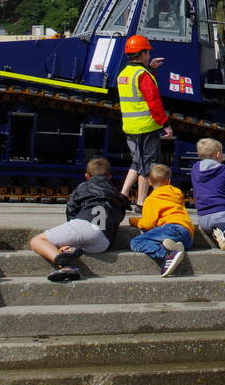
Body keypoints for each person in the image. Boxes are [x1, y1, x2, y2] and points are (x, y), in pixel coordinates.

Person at [30, 157, 128, 282]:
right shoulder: (117, 193)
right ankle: (69, 255)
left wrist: (73, 227)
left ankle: (65, 265)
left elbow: (71, 208)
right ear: (110, 176)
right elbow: (120, 215)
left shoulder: (84, 186)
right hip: (104, 241)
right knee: (63, 245)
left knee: (37, 241)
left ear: (87, 176)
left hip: (87, 225)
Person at [115, 34, 172, 209]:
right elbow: (153, 102)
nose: (148, 56)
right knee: (148, 164)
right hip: (146, 126)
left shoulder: (124, 74)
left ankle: (123, 195)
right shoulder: (143, 75)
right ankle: (141, 202)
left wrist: (151, 69)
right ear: (142, 54)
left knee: (137, 162)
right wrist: (165, 124)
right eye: (147, 53)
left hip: (130, 127)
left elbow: (136, 92)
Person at [128, 164, 193, 276]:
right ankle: (176, 247)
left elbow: (147, 224)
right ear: (169, 181)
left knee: (136, 242)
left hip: (171, 228)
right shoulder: (176, 194)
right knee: (167, 238)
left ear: (149, 182)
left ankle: (167, 255)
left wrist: (134, 221)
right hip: (188, 234)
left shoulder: (151, 199)